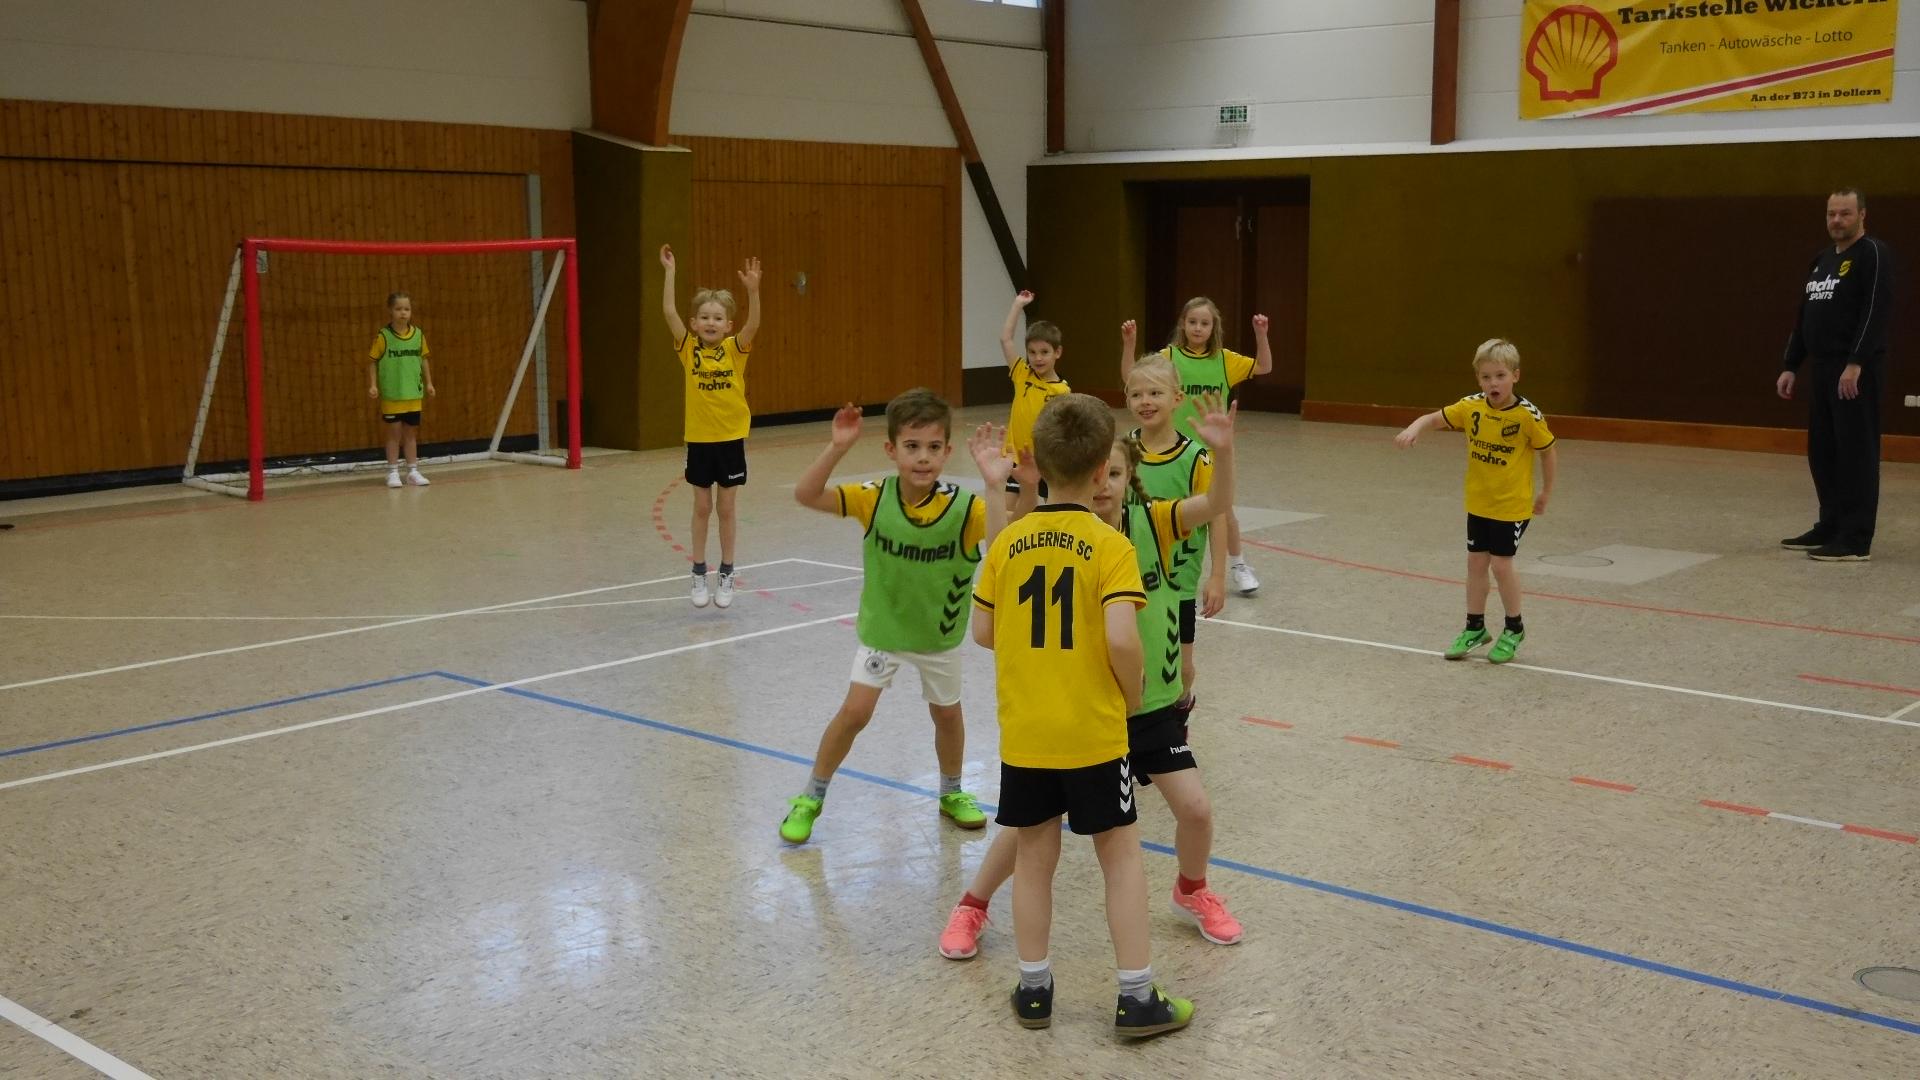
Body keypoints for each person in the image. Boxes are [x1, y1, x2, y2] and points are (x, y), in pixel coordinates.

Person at [939, 391, 1244, 966]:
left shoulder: (1155, 523)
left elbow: (1219, 502)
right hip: (1086, 707)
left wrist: (1222, 455)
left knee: (1196, 810)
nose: (1106, 487)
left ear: (1127, 477)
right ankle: (973, 902)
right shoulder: (1054, 537)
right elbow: (1005, 577)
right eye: (1105, 476)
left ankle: (1192, 890)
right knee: (1031, 827)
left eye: (1121, 476)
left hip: (1146, 706)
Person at [971, 392, 1194, 1038]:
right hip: (1093, 733)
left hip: (1027, 733)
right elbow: (1123, 639)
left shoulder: (1010, 543)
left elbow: (983, 632)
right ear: (1104, 472)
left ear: (1037, 461)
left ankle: (1035, 991)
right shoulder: (1109, 545)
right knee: (1120, 857)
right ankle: (1137, 996)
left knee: (1035, 859)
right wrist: (1131, 692)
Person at [776, 390, 1003, 844]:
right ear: (891, 450)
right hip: (884, 632)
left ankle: (952, 791)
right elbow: (806, 494)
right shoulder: (872, 499)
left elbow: (1004, 543)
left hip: (938, 637)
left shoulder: (965, 508)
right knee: (855, 712)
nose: (923, 458)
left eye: (934, 447)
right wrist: (837, 446)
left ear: (947, 452)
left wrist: (1003, 486)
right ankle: (811, 796)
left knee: (947, 716)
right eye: (912, 446)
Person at [1394, 339, 1558, 664]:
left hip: (1512, 505)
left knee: (1501, 564)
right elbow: (1434, 418)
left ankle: (1514, 628)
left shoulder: (1527, 416)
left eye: (1499, 375)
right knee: (1475, 563)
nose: (1492, 383)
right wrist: (1415, 427)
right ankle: (1475, 627)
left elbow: (1548, 453)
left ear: (1515, 376)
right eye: (1485, 377)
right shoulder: (1471, 406)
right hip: (1479, 502)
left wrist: (1545, 493)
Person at [1776, 187, 1896, 562]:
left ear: (1862, 215)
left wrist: (1856, 362)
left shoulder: (1872, 254)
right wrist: (1791, 364)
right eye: (1831, 214)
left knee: (1855, 453)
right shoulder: (1822, 260)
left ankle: (1856, 538)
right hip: (1823, 371)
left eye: (1845, 213)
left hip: (1855, 372)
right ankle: (1830, 524)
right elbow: (1805, 317)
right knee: (1824, 452)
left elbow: (1875, 312)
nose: (1837, 221)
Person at [1120, 298, 1271, 595]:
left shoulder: (1225, 360)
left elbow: (1264, 366)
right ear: (1183, 325)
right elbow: (1132, 377)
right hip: (1175, 452)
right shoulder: (1170, 357)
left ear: (1213, 327)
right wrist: (1129, 344)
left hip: (1213, 452)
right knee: (1168, 510)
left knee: (1223, 512)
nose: (1198, 328)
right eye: (1192, 322)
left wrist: (1261, 335)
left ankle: (1238, 565)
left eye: (1204, 323)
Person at [660, 244, 762, 607]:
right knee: (702, 507)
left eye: (718, 318)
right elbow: (669, 311)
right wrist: (670, 272)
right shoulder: (688, 348)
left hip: (731, 439)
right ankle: (698, 573)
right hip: (700, 441)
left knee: (727, 508)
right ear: (694, 323)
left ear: (728, 325)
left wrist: (753, 289)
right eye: (704, 317)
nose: (711, 322)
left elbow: (754, 324)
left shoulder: (735, 349)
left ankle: (727, 573)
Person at [1126, 357, 1221, 714]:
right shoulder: (1121, 451)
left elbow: (1217, 516)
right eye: (1137, 394)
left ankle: (1179, 713)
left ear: (1177, 398)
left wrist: (1218, 574)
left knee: (1180, 666)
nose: (1145, 401)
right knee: (1134, 660)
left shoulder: (1196, 458)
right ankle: (1137, 735)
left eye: (1155, 392)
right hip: (1131, 577)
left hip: (1178, 580)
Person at [998, 290, 1071, 509]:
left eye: (1044, 352)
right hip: (1015, 460)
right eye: (1032, 352)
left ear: (1057, 352)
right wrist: (1018, 305)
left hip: (1045, 465)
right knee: (1007, 514)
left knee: (1049, 513)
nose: (1037, 358)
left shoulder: (1062, 392)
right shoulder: (1022, 374)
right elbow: (1006, 339)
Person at [366, 292, 436, 488]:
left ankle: (413, 471)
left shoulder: (418, 335)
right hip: (392, 394)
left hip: (413, 394)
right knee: (394, 433)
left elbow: (424, 360)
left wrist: (429, 383)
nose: (403, 313)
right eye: (398, 309)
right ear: (391, 311)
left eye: (407, 309)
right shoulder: (383, 336)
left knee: (411, 434)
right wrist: (373, 385)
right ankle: (393, 472)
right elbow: (372, 362)